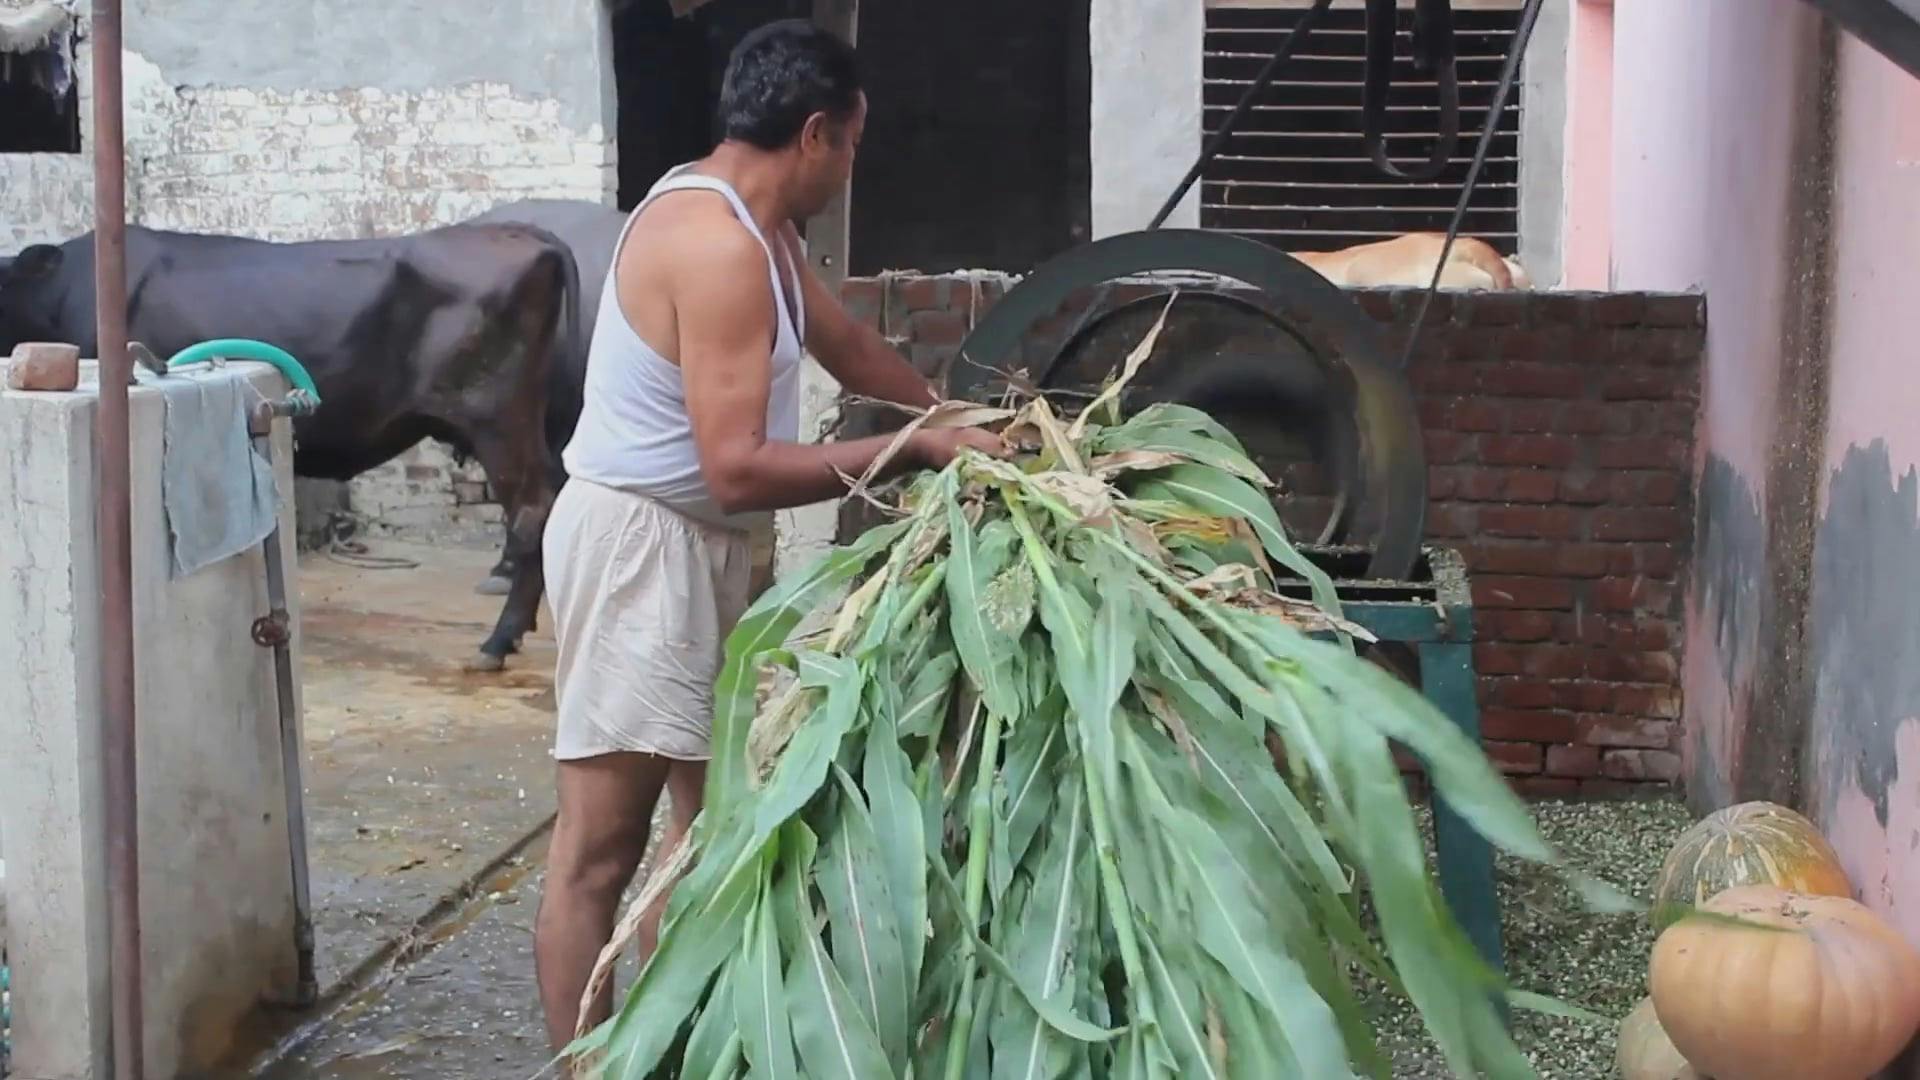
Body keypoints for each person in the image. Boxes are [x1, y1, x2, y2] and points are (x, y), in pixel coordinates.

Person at [531, 17, 1007, 1051]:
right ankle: (577, 1073)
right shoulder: (713, 246)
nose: (850, 168)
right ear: (816, 134)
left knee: (708, 834)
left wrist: (945, 414)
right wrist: (913, 453)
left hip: (694, 545)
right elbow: (736, 468)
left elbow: (840, 339)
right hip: (639, 546)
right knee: (597, 854)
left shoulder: (761, 229)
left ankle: (665, 1052)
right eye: (853, 146)